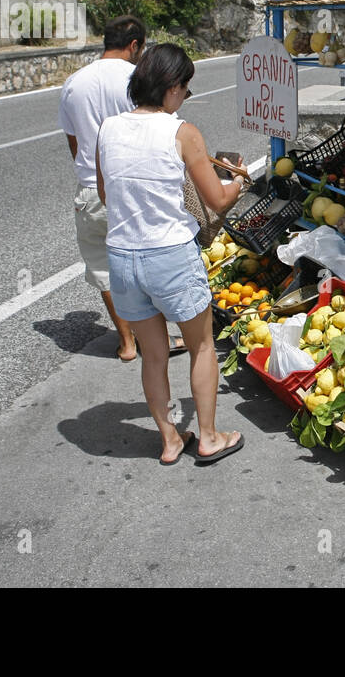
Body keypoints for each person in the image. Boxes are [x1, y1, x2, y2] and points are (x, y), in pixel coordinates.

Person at [96, 43, 247, 466]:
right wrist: (243, 183)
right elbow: (216, 199)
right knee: (201, 348)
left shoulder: (108, 129)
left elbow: (107, 195)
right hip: (170, 256)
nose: (184, 97)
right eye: (186, 88)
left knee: (154, 354)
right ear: (172, 87)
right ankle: (210, 437)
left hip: (124, 258)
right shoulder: (181, 132)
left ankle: (169, 441)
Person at [58, 15, 146, 362]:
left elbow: (75, 143)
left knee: (104, 266)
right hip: (135, 187)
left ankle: (127, 343)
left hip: (92, 189)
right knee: (143, 262)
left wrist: (89, 176)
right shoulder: (137, 79)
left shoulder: (73, 83)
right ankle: (155, 337)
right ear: (135, 45)